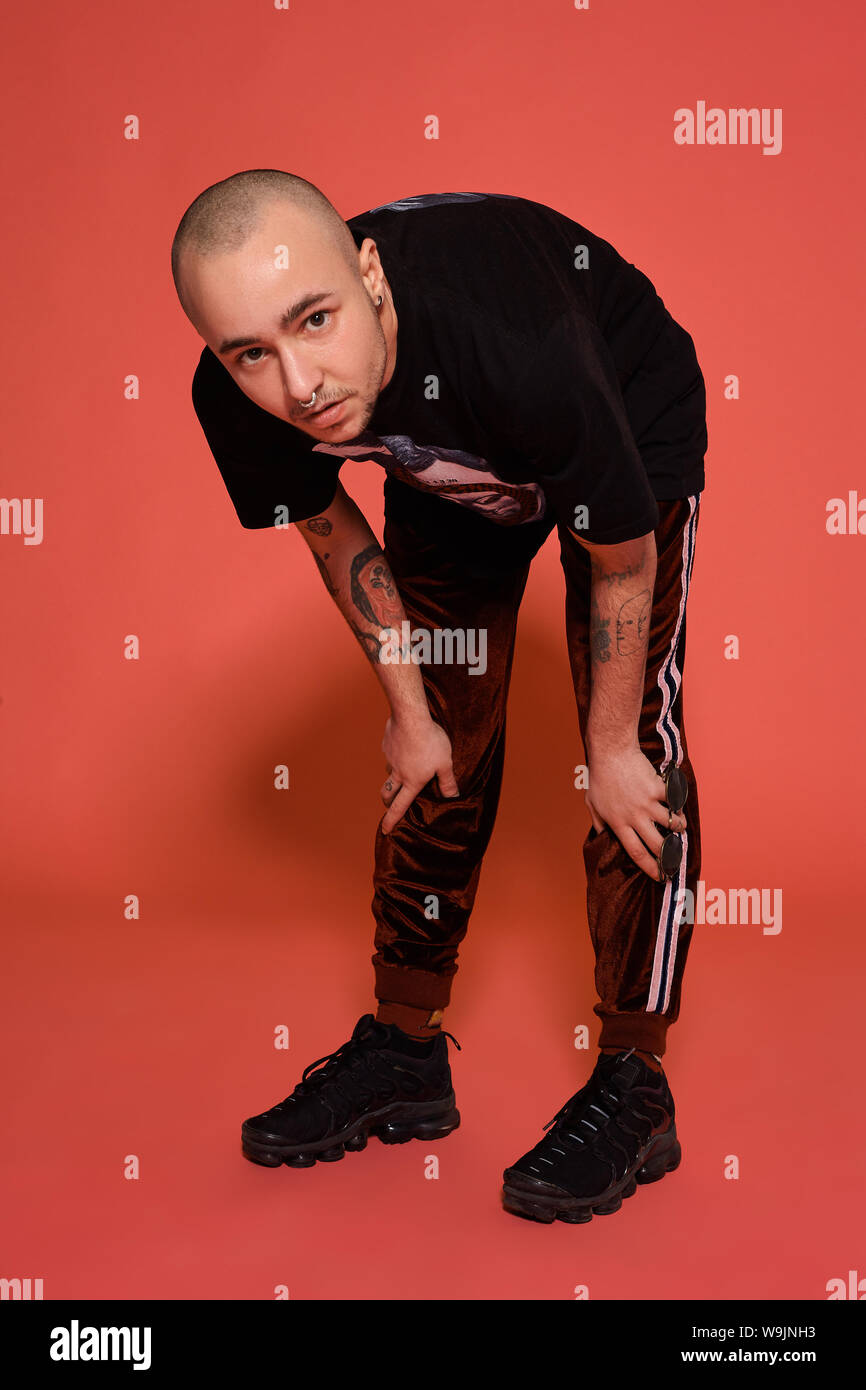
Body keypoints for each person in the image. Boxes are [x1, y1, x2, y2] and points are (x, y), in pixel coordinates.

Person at [171, 171, 707, 1225]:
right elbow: (335, 536)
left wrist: (603, 748)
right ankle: (406, 1050)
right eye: (250, 355)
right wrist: (411, 713)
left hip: (616, 435)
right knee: (434, 752)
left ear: (368, 277)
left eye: (314, 321)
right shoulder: (239, 395)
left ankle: (635, 1082)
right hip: (445, 468)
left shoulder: (517, 342)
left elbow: (622, 560)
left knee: (631, 760)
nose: (298, 384)